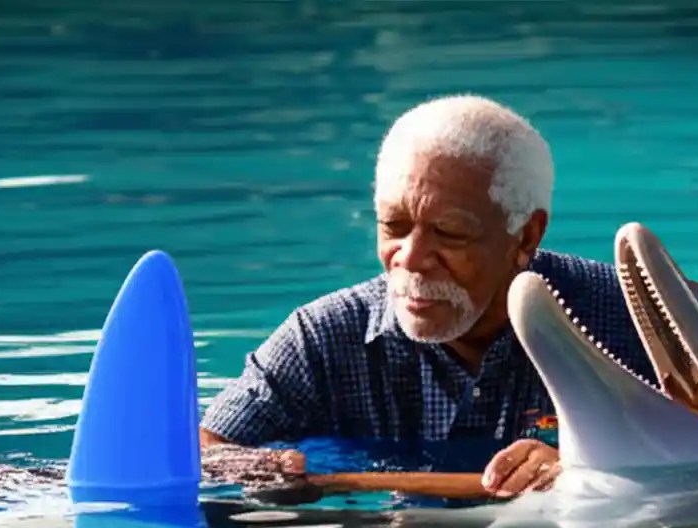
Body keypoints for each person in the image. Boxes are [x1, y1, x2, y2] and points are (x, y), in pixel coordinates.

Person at [198, 94, 653, 501]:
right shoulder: (324, 339)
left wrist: (580, 465)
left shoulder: (625, 319)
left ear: (525, 236)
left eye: (450, 233)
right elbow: (196, 452)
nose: (411, 259)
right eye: (393, 227)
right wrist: (257, 469)